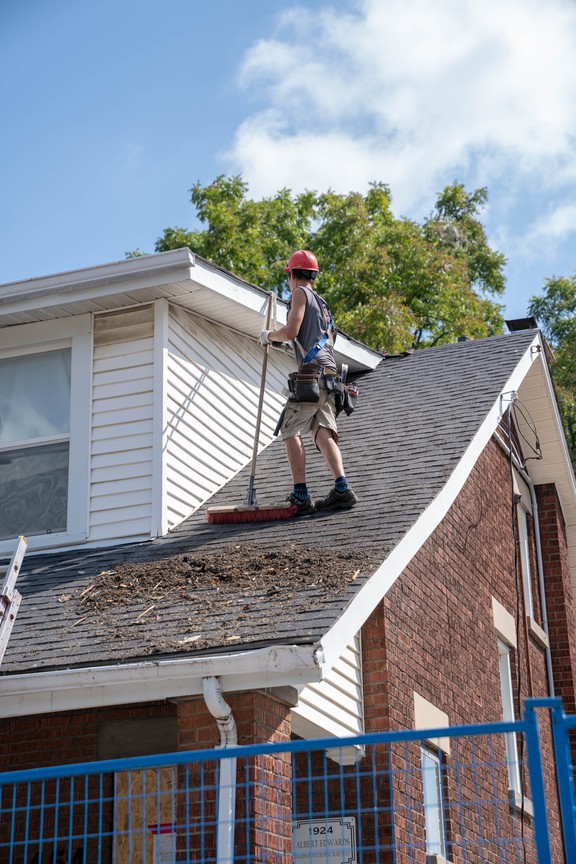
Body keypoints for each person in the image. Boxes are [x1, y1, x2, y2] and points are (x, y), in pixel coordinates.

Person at [259, 250, 358, 516]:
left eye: (289, 276)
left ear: (292, 274)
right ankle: (342, 487)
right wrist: (285, 344)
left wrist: (270, 336)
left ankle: (301, 495)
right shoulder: (323, 304)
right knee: (323, 431)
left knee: (289, 429)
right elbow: (307, 340)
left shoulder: (300, 294)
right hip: (329, 377)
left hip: (312, 375)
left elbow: (291, 331)